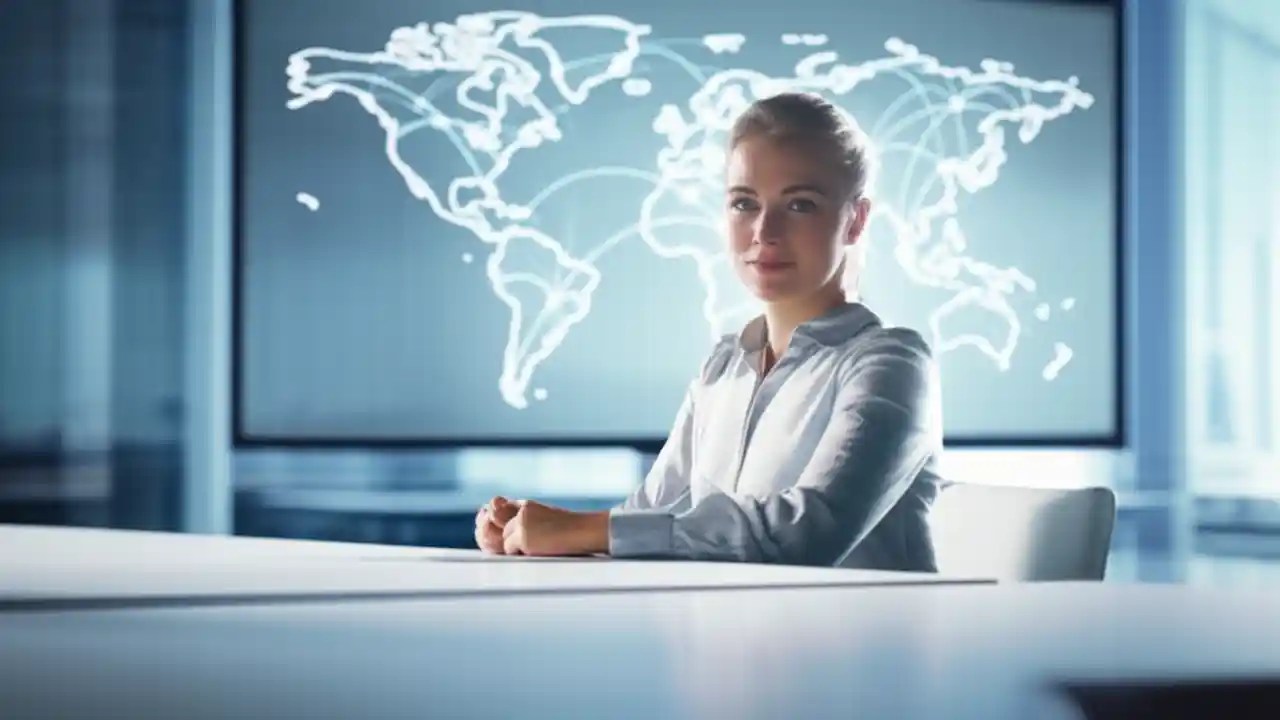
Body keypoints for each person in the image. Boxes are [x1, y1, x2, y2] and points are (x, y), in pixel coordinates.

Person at [474, 91, 944, 570]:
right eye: (744, 203)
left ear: (856, 220)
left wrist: (583, 530)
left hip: (864, 641)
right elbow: (653, 514)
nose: (765, 230)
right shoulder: (724, 365)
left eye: (800, 204)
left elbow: (809, 531)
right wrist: (532, 530)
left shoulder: (892, 364)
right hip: (738, 634)